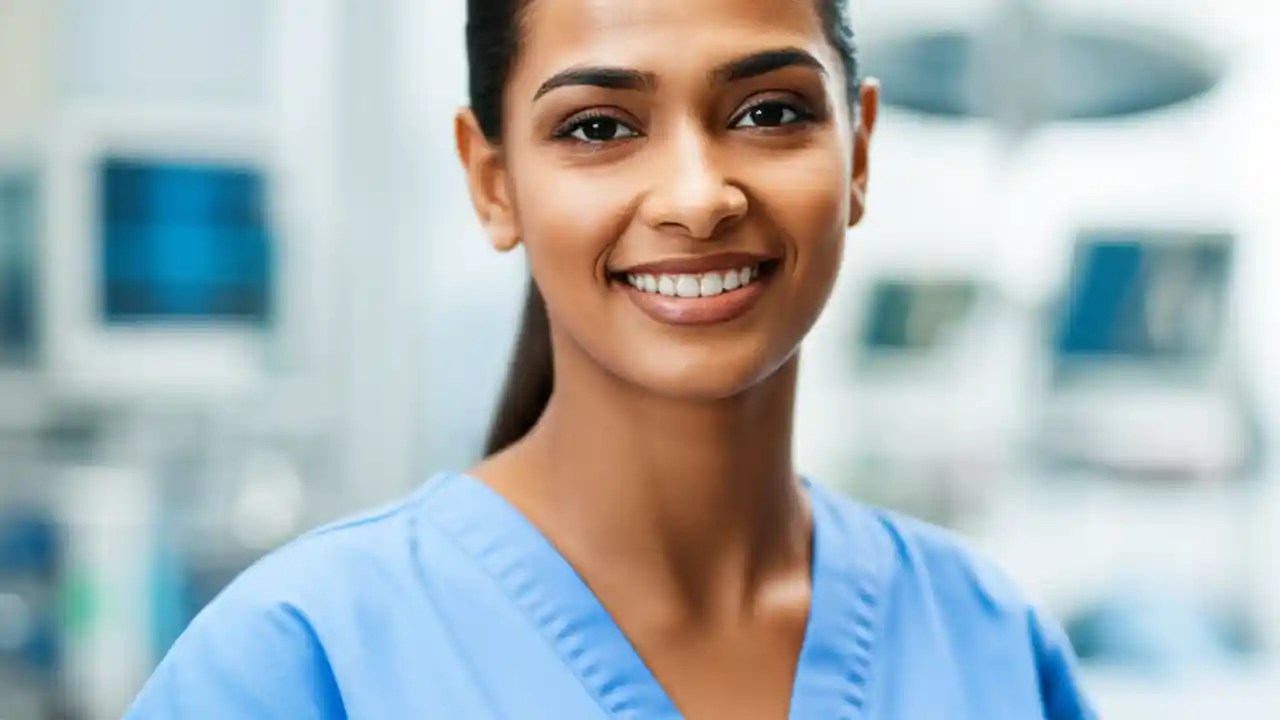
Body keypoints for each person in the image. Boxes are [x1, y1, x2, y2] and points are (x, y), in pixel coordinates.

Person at [126, 0, 1097, 717]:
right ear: (492, 181)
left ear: (857, 154)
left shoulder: (985, 643)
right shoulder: (298, 659)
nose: (696, 196)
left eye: (767, 112)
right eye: (597, 128)